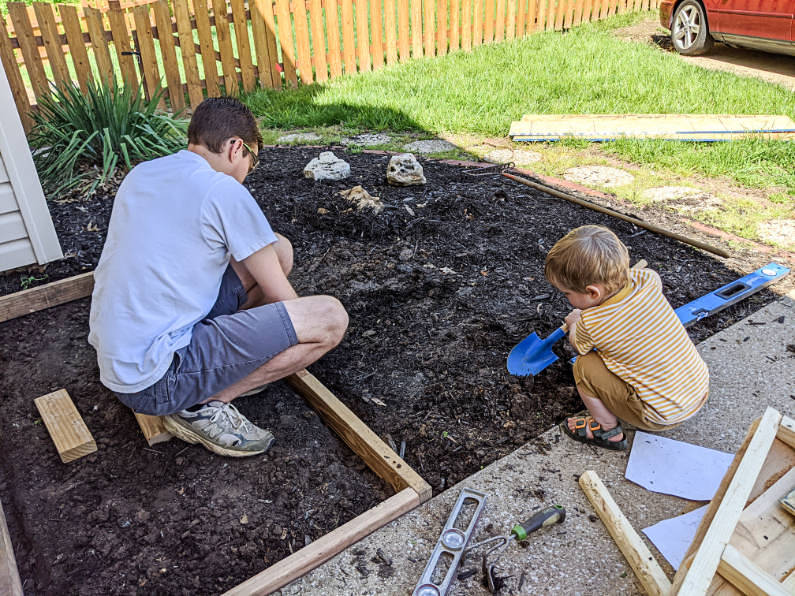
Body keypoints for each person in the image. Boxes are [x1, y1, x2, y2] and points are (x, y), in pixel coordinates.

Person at [88, 97, 348, 457]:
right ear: (235, 147)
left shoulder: (145, 173)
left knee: (279, 249)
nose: (247, 172)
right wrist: (298, 341)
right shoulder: (222, 190)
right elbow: (285, 300)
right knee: (329, 318)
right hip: (156, 380)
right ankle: (205, 404)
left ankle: (216, 365)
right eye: (251, 160)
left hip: (122, 355)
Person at [544, 225, 709, 450]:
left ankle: (607, 429)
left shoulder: (592, 323)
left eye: (567, 293)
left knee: (584, 366)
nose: (566, 298)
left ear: (593, 292)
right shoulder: (647, 280)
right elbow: (647, 279)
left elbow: (578, 345)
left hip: (659, 416)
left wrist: (574, 323)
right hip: (697, 391)